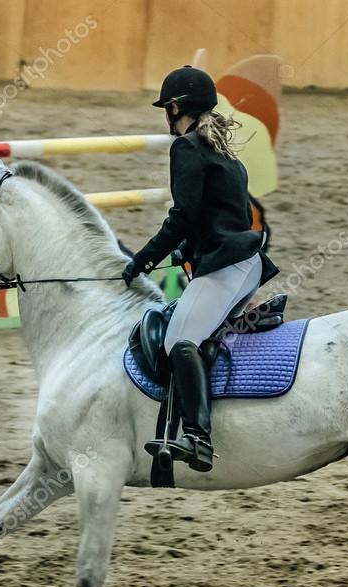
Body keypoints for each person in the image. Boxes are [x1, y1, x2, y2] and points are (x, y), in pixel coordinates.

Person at [122, 65, 278, 473]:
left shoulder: (187, 147)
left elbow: (183, 217)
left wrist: (142, 259)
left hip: (227, 267)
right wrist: (187, 252)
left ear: (175, 107)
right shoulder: (223, 149)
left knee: (178, 341)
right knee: (200, 331)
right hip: (246, 263)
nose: (164, 116)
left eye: (165, 109)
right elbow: (219, 214)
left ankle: (198, 438)